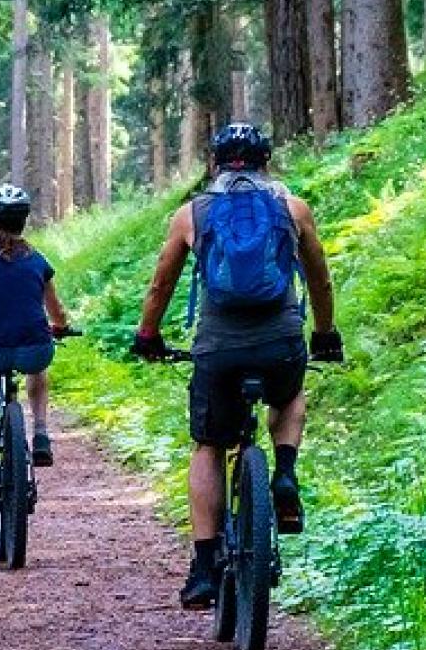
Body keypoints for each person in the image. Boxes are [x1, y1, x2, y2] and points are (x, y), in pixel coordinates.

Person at [130, 123, 344, 610]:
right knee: (288, 394)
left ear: (216, 162)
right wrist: (325, 334)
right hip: (280, 340)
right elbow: (320, 279)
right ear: (267, 160)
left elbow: (160, 286)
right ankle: (284, 472)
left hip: (219, 348)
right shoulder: (293, 209)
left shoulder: (192, 214)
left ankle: (204, 566)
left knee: (208, 443)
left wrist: (147, 336)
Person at [0, 185, 71, 540]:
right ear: (24, 221)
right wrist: (62, 327)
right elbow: (55, 309)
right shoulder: (37, 261)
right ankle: (40, 432)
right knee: (38, 364)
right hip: (32, 347)